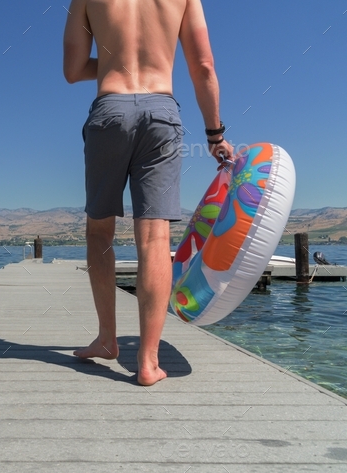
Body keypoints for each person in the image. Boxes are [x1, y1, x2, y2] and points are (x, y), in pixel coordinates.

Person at [63, 0, 234, 386]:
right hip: (161, 112)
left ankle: (108, 340)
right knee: (155, 236)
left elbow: (72, 70)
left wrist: (112, 66)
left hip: (109, 111)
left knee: (99, 232)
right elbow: (202, 66)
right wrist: (215, 135)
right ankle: (148, 361)